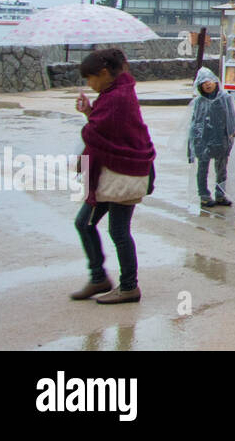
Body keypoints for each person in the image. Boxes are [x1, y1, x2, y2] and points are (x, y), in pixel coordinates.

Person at [70, 49, 156, 304]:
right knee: (84, 223)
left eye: (90, 78)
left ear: (105, 74)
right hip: (111, 173)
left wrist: (89, 121)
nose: (89, 84)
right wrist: (89, 112)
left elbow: (95, 133)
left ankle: (129, 286)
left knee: (118, 231)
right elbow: (107, 129)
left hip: (122, 172)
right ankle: (99, 278)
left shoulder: (117, 97)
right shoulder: (114, 94)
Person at [187, 66, 235, 209]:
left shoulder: (225, 98)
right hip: (203, 140)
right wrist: (194, 140)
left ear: (215, 81)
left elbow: (231, 116)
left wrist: (233, 130)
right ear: (199, 86)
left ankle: (220, 194)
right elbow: (195, 122)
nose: (207, 84)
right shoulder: (199, 102)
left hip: (221, 138)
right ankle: (204, 195)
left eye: (209, 81)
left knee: (222, 168)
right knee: (203, 168)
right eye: (203, 83)